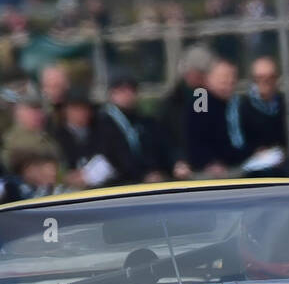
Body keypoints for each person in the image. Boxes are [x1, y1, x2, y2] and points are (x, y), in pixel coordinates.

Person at [97, 70, 171, 185]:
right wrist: (142, 176)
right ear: (112, 94)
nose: (127, 95)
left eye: (131, 90)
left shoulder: (145, 121)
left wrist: (156, 171)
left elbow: (158, 149)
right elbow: (114, 157)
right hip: (120, 184)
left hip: (151, 180)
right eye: (122, 91)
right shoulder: (103, 123)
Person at [158, 44, 215, 178]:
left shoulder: (204, 97)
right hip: (182, 171)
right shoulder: (172, 104)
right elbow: (166, 139)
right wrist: (177, 161)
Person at [232, 56, 289, 168]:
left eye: (271, 77)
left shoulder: (283, 103)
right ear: (253, 79)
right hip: (252, 164)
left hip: (280, 160)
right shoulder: (242, 106)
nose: (266, 82)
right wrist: (254, 151)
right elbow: (236, 142)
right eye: (260, 78)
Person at [185, 59, 241, 175]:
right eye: (224, 77)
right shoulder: (202, 99)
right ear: (209, 79)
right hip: (210, 168)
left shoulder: (235, 103)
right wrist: (209, 162)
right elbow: (196, 136)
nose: (229, 81)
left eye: (233, 78)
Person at [1, 91, 61, 173]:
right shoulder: (14, 139)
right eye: (32, 111)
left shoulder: (47, 138)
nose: (38, 115)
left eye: (40, 110)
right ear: (19, 113)